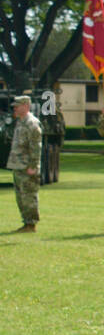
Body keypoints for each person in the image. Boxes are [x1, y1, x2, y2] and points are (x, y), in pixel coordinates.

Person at [8, 94, 42, 232]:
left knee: (29, 195)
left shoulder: (32, 123)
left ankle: (31, 224)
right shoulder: (20, 122)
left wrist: (33, 166)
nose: (15, 108)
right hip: (18, 165)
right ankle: (26, 222)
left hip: (27, 166)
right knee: (21, 197)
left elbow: (36, 147)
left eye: (17, 106)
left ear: (26, 106)